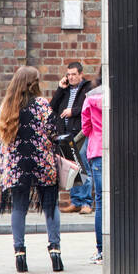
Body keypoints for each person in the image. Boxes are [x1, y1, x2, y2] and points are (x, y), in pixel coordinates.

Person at [0, 65, 64, 272]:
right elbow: (54, 132)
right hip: (41, 162)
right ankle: (55, 253)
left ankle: (20, 255)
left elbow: (0, 135)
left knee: (19, 208)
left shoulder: (6, 107)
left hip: (16, 166)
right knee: (50, 206)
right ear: (35, 83)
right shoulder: (42, 105)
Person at [51, 61, 94, 214]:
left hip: (81, 133)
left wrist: (72, 111)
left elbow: (87, 107)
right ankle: (76, 201)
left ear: (81, 74)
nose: (71, 78)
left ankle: (86, 203)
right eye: (68, 75)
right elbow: (52, 107)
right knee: (72, 168)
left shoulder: (87, 88)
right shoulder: (65, 90)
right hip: (66, 134)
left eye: (74, 74)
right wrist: (59, 88)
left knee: (83, 166)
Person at [80, 68, 105, 265]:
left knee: (100, 200)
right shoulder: (119, 94)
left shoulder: (91, 97)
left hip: (97, 150)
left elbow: (85, 126)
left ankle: (101, 249)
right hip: (117, 149)